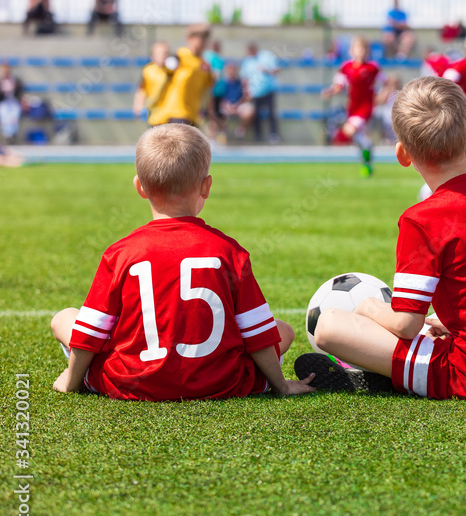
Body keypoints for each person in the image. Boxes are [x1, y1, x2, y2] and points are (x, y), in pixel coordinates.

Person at [295, 77, 466, 399]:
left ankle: (389, 373)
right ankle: (398, 369)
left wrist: (369, 307)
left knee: (329, 325)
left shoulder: (423, 218)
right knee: (428, 327)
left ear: (402, 154)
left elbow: (405, 324)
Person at [50, 124, 317, 400]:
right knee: (281, 329)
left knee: (64, 318)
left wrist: (72, 380)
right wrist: (281, 386)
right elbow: (258, 332)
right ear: (206, 186)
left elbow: (89, 333)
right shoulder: (230, 252)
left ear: (139, 187)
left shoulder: (120, 253)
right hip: (221, 382)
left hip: (131, 382)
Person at [322, 36, 384, 177]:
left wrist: (382, 95)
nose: (359, 51)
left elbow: (385, 82)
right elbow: (339, 85)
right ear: (351, 50)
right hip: (352, 107)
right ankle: (367, 163)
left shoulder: (372, 68)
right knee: (361, 140)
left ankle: (335, 143)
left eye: (362, 48)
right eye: (356, 48)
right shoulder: (346, 67)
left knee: (348, 131)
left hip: (366, 108)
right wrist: (330, 91)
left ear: (367, 51)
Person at [158, 25, 215, 127]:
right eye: (198, 39)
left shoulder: (204, 65)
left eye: (204, 40)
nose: (201, 43)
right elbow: (165, 70)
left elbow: (207, 90)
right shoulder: (180, 55)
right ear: (189, 39)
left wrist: (210, 112)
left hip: (193, 116)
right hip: (176, 112)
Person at [241, 42, 280, 143]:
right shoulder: (247, 61)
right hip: (255, 93)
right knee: (256, 114)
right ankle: (257, 135)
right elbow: (245, 78)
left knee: (271, 113)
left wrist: (266, 70)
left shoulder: (266, 56)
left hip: (268, 90)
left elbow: (277, 69)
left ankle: (273, 134)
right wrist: (247, 92)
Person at [133, 42, 173, 125]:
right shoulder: (148, 71)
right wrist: (138, 105)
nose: (162, 56)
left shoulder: (174, 70)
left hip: (172, 114)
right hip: (155, 115)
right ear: (153, 56)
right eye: (159, 53)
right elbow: (142, 89)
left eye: (165, 53)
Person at [217, 62, 255, 142]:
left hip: (239, 106)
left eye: (233, 69)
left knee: (250, 110)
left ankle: (240, 130)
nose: (232, 72)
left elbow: (245, 96)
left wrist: (238, 104)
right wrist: (226, 105)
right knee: (218, 112)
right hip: (226, 106)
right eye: (230, 70)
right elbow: (219, 98)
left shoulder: (240, 83)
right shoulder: (222, 83)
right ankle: (224, 131)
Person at [202, 40, 227, 138]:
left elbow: (216, 75)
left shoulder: (214, 58)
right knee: (211, 114)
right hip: (211, 92)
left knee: (214, 114)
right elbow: (214, 76)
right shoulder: (210, 57)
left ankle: (215, 136)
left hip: (216, 92)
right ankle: (212, 136)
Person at [0, 62, 26, 144]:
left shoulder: (15, 80)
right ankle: (7, 135)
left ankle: (13, 135)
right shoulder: (1, 81)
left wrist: (14, 89)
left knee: (14, 116)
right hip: (3, 103)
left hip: (14, 102)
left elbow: (20, 92)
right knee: (4, 116)